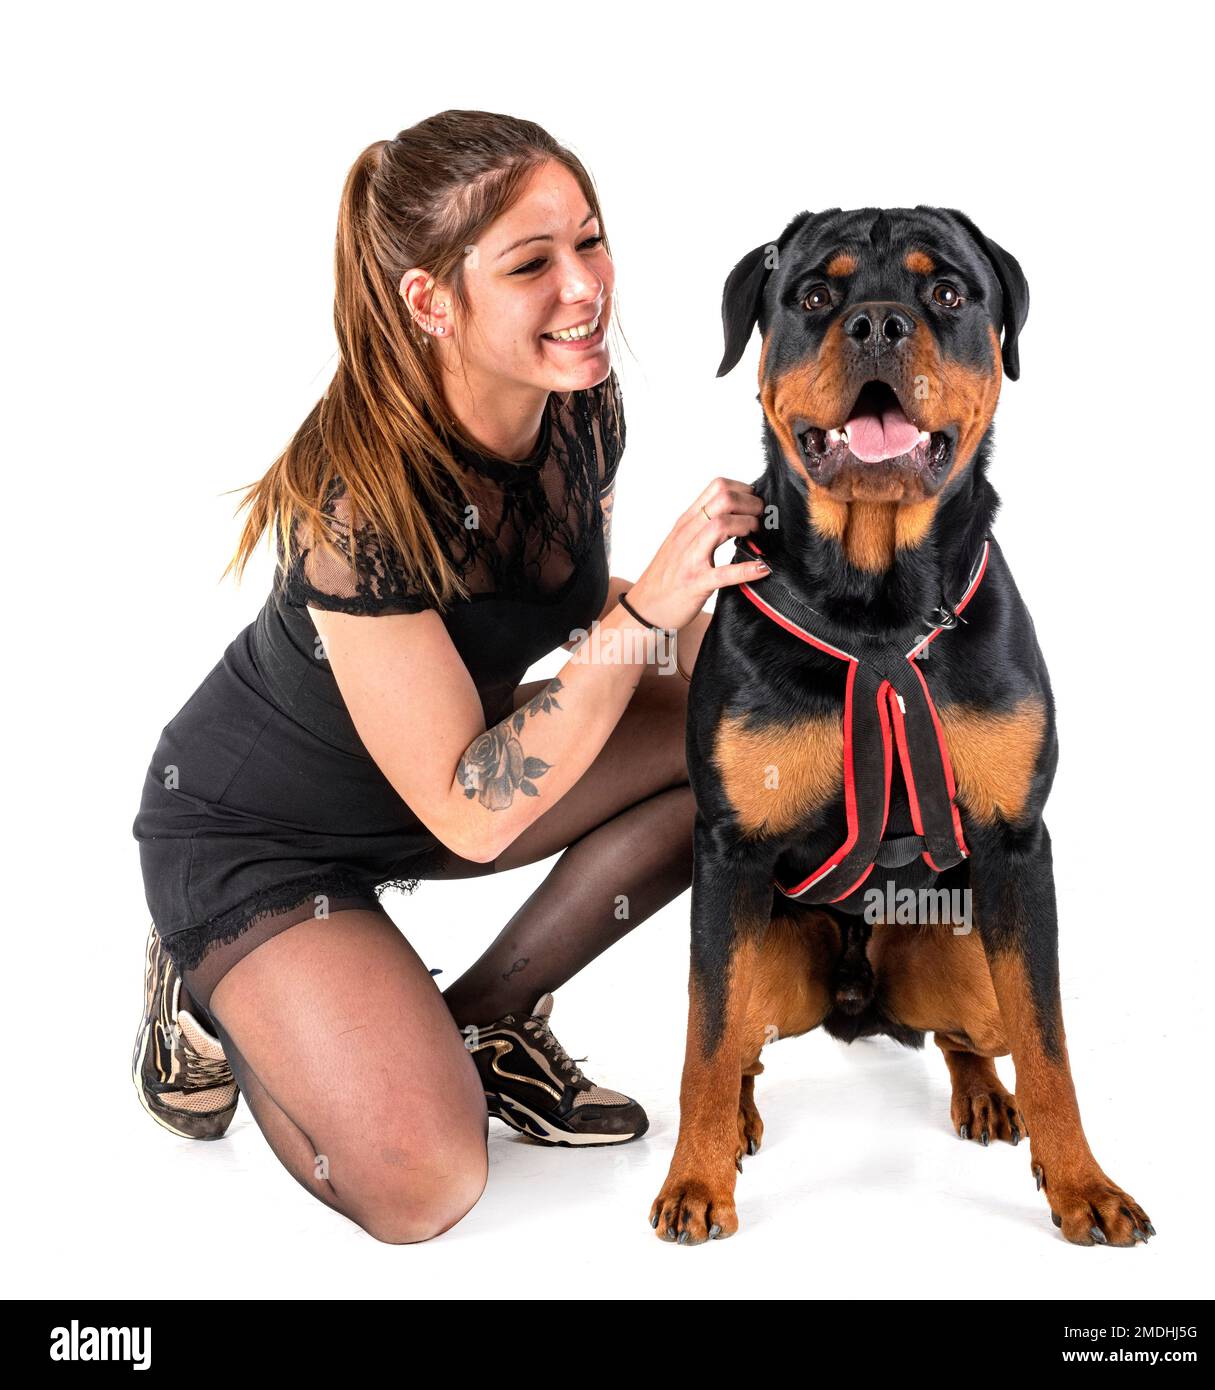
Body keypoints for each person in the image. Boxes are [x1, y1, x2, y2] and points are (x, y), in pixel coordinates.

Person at [131, 109, 771, 1245]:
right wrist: (648, 611)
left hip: (448, 763)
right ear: (430, 301)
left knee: (741, 740)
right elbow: (475, 812)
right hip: (259, 833)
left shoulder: (576, 404)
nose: (584, 287)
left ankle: (485, 1017)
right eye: (530, 263)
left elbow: (575, 626)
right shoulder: (358, 505)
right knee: (425, 1184)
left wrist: (769, 627)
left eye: (589, 239)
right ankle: (216, 995)